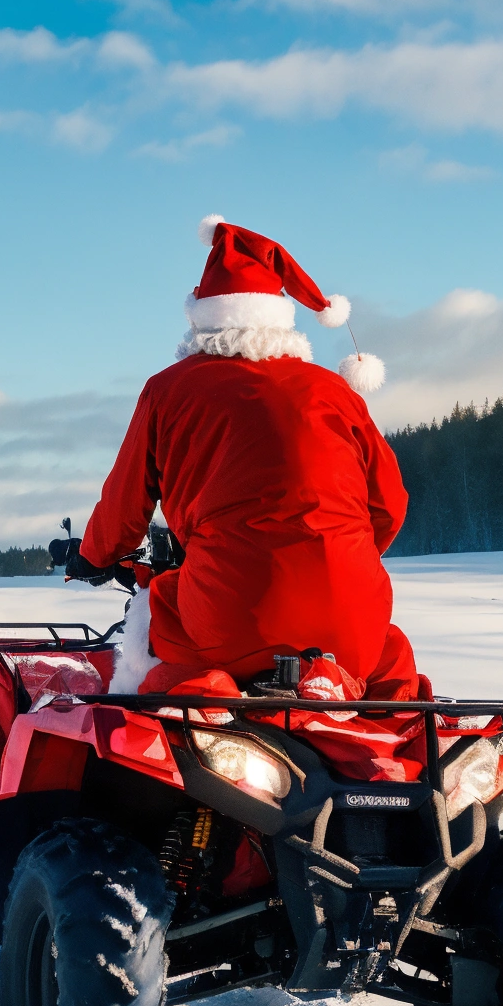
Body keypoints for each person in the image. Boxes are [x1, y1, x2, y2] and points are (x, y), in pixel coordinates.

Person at [77, 216, 420, 699]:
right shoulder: (334, 392)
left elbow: (124, 505)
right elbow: (389, 504)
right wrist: (334, 551)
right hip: (350, 618)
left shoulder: (166, 391)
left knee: (154, 613)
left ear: (201, 318)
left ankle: (185, 699)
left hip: (230, 617)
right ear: (278, 318)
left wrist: (93, 557)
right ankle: (370, 726)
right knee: (383, 649)